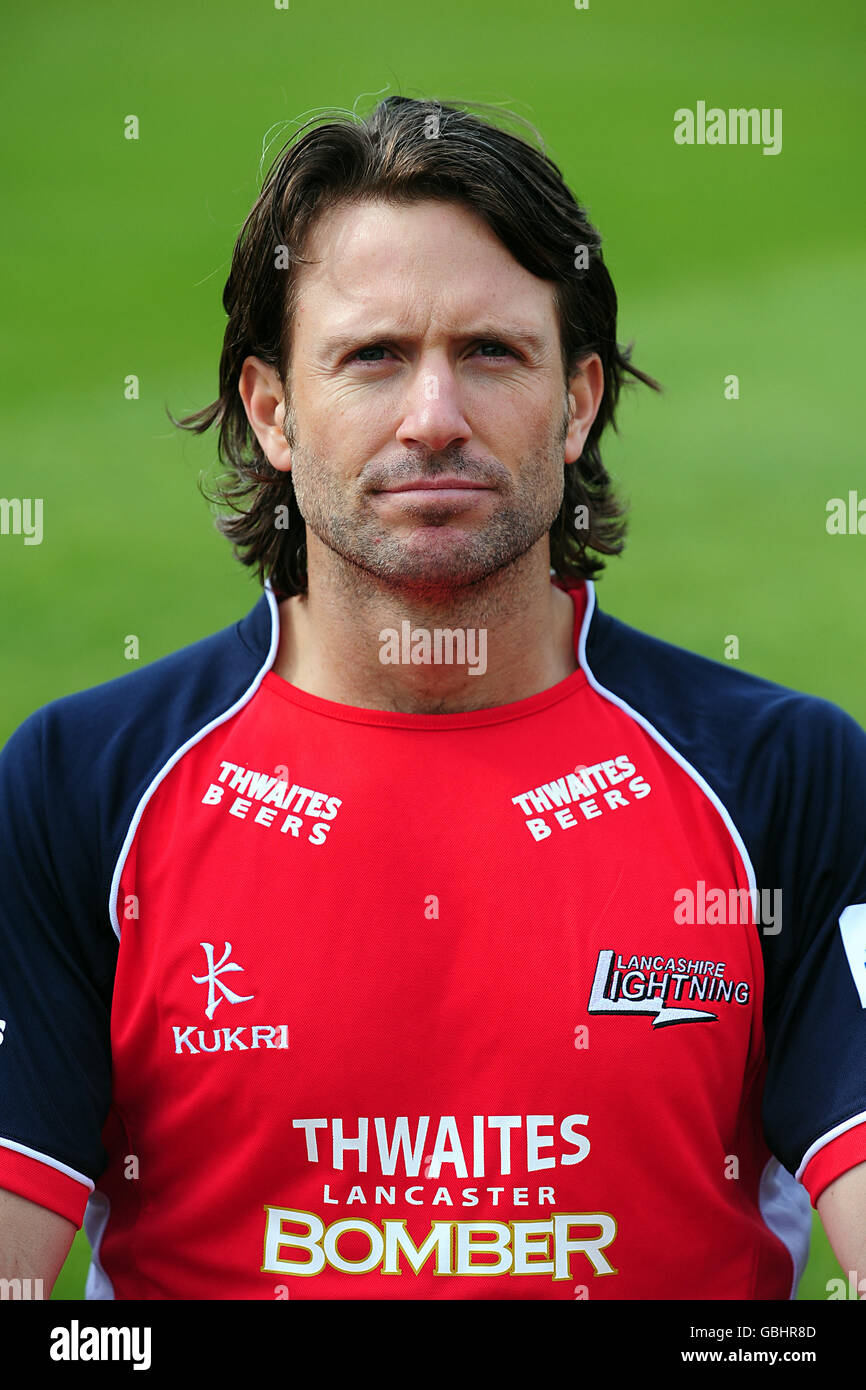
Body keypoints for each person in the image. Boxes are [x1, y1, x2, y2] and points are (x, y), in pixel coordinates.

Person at [1, 95, 864, 1301]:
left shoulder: (784, 780)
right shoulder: (74, 790)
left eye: (491, 353)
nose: (433, 419)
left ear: (575, 403)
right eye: (372, 357)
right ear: (271, 409)